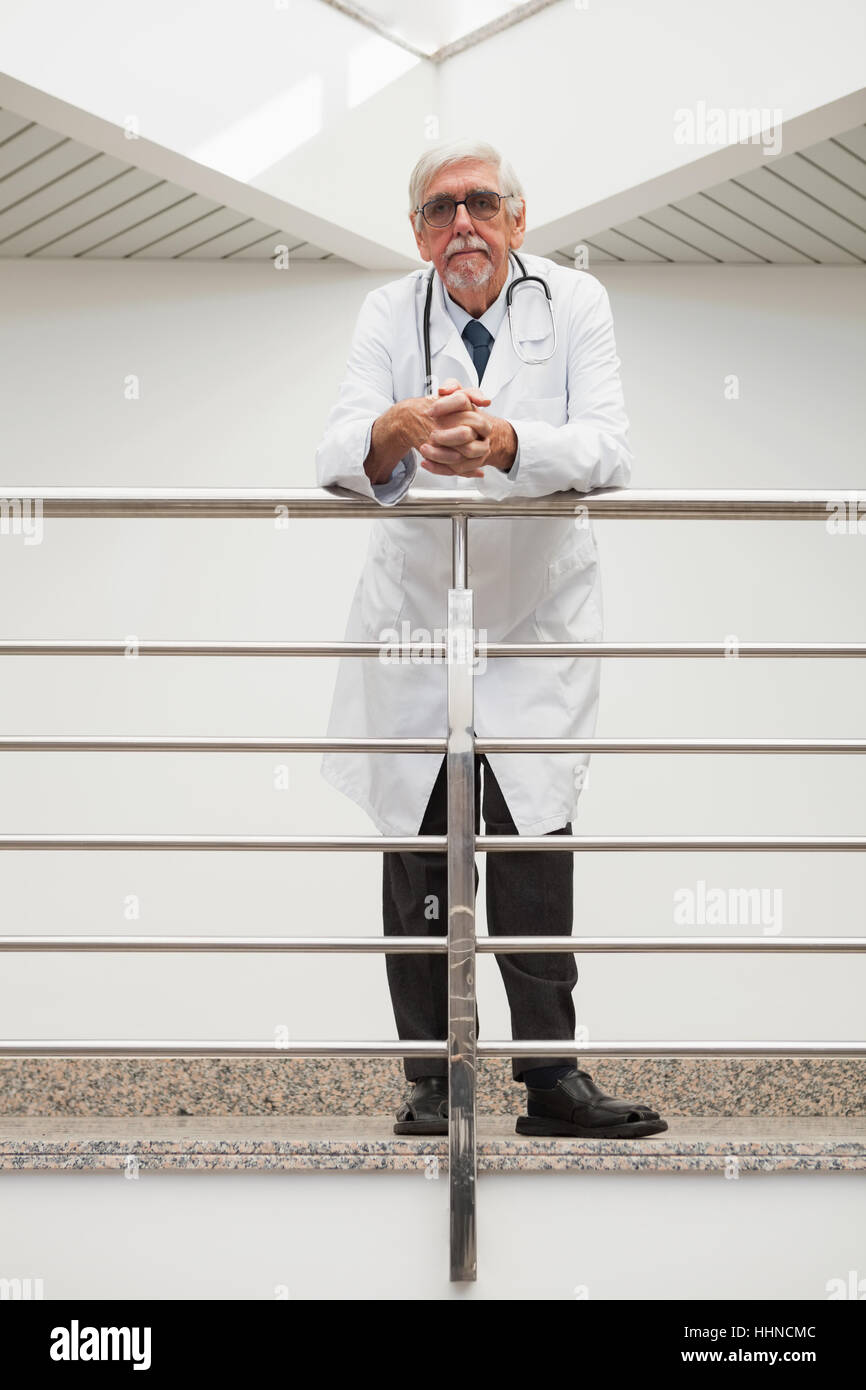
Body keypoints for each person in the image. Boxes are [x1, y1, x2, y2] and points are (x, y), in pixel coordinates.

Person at [315, 139, 667, 1139]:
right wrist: (398, 428)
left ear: (516, 218)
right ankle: (432, 1081)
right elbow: (337, 449)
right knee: (422, 853)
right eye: (438, 210)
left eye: (479, 204)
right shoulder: (389, 310)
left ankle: (549, 1079)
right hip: (416, 617)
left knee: (530, 843)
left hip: (531, 619)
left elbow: (609, 449)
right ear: (417, 232)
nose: (459, 223)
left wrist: (509, 442)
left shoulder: (575, 300)